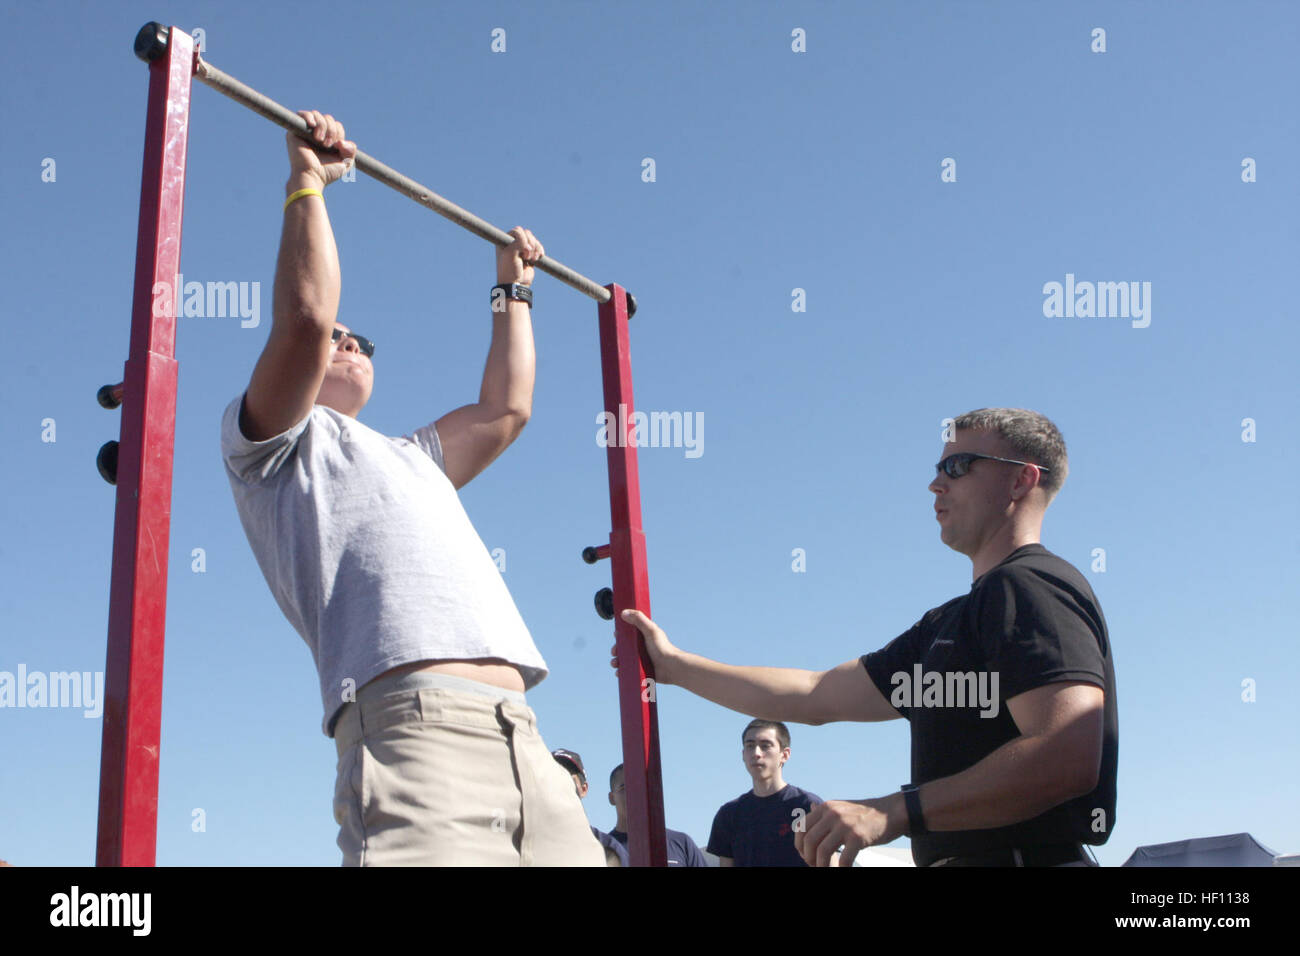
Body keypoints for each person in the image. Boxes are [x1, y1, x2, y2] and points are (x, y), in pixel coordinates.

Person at [221, 109, 604, 866]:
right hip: (413, 731)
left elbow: (506, 409)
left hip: (523, 734)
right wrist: (308, 181)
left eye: (365, 341)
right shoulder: (270, 446)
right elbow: (303, 319)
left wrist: (513, 292)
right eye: (343, 337)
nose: (352, 342)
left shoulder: (412, 456)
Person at [616, 408, 1117, 867]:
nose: (935, 484)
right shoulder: (949, 624)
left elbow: (1065, 755)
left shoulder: (1030, 586)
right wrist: (674, 667)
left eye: (958, 466)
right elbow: (816, 695)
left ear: (1021, 479)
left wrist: (894, 811)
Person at [703, 721, 824, 867]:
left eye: (765, 745)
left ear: (785, 755)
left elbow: (830, 861)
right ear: (743, 755)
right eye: (750, 746)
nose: (756, 753)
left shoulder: (807, 805)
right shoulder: (729, 815)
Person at [605, 763, 708, 866]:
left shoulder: (682, 844)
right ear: (612, 798)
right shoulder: (603, 849)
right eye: (625, 788)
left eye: (640, 785)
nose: (634, 793)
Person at [553, 749, 627, 867]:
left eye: (569, 779)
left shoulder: (609, 848)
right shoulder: (527, 845)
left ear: (584, 789)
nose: (560, 785)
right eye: (553, 778)